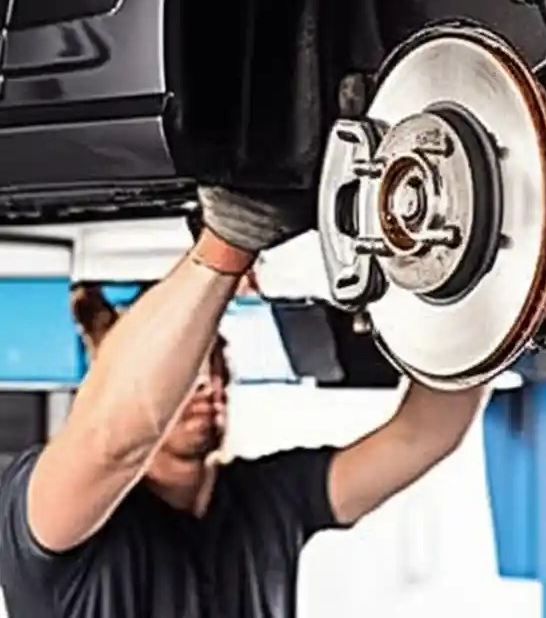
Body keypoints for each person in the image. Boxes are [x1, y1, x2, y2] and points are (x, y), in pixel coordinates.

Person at [0, 187, 486, 617]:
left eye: (216, 361)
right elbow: (113, 441)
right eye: (186, 371)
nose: (207, 381)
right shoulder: (44, 513)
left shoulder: (265, 502)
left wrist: (488, 291)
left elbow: (424, 434)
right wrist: (229, 240)